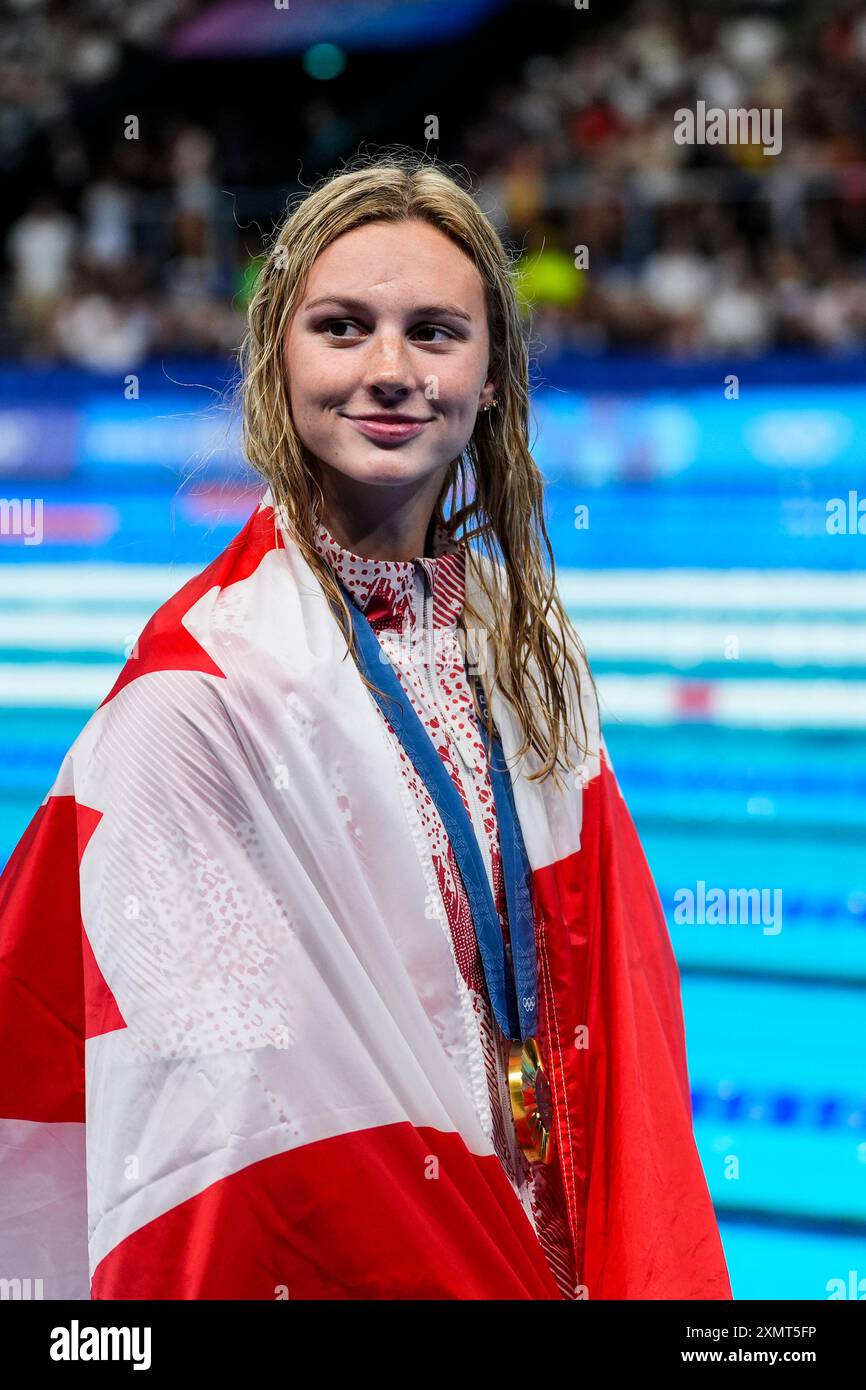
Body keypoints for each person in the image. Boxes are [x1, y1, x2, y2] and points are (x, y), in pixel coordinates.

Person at [0, 152, 732, 1301]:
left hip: (549, 1233)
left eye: (434, 332)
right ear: (276, 362)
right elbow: (226, 1129)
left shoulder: (526, 650)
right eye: (341, 328)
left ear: (491, 376)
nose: (389, 371)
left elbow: (613, 994)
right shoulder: (198, 698)